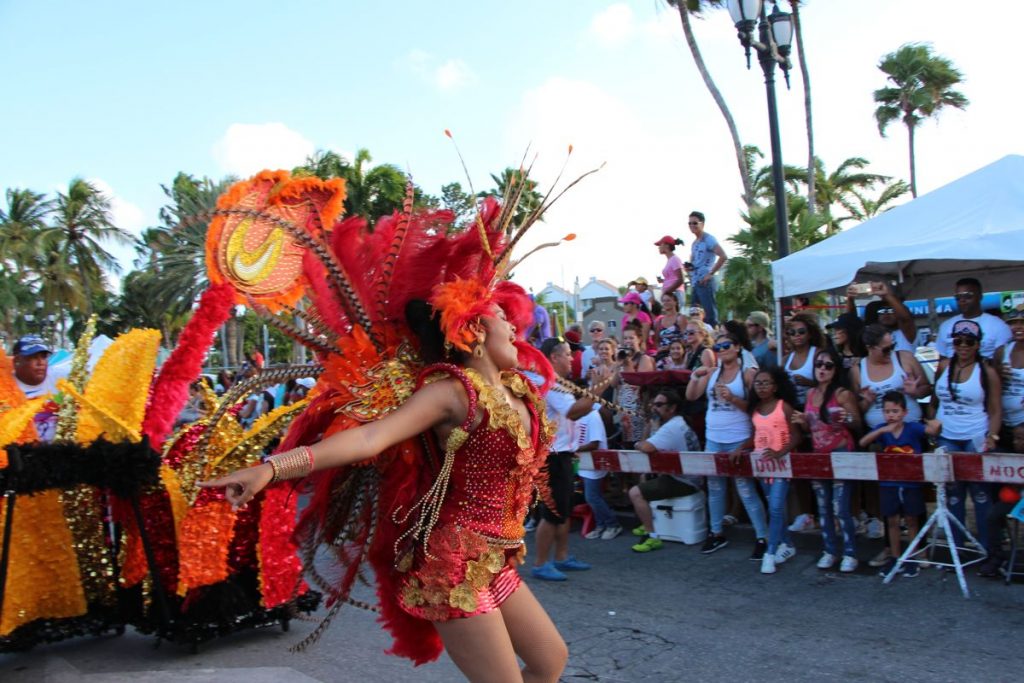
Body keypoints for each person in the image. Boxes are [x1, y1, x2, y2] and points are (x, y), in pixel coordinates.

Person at [686, 331, 767, 558]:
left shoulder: (748, 373)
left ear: (738, 347)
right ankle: (716, 533)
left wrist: (732, 398)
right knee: (715, 487)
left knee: (746, 490)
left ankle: (763, 536)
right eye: (718, 347)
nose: (722, 350)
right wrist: (694, 376)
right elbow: (691, 396)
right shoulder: (712, 373)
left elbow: (757, 408)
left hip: (738, 437)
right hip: (714, 437)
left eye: (726, 345)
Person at [532, 337, 606, 582]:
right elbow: (574, 412)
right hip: (552, 457)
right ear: (554, 358)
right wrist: (602, 386)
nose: (571, 359)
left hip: (561, 454)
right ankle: (541, 563)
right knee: (552, 512)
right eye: (566, 354)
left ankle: (562, 557)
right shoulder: (549, 383)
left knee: (563, 510)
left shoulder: (553, 382)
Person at [934, 319, 1002, 553]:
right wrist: (931, 422)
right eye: (958, 341)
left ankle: (986, 549)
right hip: (947, 435)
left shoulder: (987, 371)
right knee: (953, 494)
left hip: (975, 435)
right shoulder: (943, 367)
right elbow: (934, 400)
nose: (963, 346)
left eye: (969, 341)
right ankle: (957, 549)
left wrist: (992, 436)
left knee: (981, 495)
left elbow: (995, 408)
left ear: (977, 345)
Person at [792, 347, 862, 573]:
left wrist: (846, 417)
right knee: (823, 508)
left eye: (828, 365)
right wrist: (803, 420)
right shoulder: (812, 394)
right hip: (818, 454)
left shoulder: (842, 394)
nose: (822, 369)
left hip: (841, 452)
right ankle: (830, 550)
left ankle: (850, 552)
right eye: (819, 365)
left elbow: (857, 423)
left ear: (836, 369)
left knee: (840, 508)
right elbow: (810, 427)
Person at [860, 392, 942, 578]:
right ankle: (895, 558)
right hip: (889, 482)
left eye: (895, 411)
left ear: (904, 412)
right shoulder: (882, 429)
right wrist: (881, 431)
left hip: (911, 483)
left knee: (912, 519)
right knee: (892, 520)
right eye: (887, 411)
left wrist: (934, 424)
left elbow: (932, 431)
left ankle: (911, 556)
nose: (891, 415)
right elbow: (863, 441)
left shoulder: (912, 428)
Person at [629, 389, 703, 552]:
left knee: (635, 493)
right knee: (644, 478)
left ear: (672, 408)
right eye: (653, 404)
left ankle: (652, 536)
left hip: (684, 480)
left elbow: (646, 446)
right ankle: (648, 522)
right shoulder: (679, 422)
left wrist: (637, 443)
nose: (654, 408)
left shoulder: (671, 427)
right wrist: (652, 426)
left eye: (659, 405)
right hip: (688, 476)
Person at [744, 367, 802, 574]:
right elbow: (755, 436)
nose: (761, 386)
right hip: (762, 465)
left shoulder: (783, 407)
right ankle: (787, 544)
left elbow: (797, 435)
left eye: (766, 382)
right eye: (758, 383)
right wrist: (740, 448)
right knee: (773, 507)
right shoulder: (755, 410)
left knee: (776, 508)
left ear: (775, 387)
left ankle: (770, 552)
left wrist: (781, 452)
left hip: (781, 465)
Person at [850, 324, 930, 428]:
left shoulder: (905, 358)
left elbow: (927, 388)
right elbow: (855, 410)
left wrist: (916, 392)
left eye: (893, 346)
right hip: (879, 434)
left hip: (911, 427)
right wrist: (867, 402)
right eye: (886, 349)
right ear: (869, 348)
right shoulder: (857, 371)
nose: (890, 352)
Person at [935, 277, 1012, 360]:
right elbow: (942, 361)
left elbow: (1002, 362)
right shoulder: (946, 326)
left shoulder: (999, 325)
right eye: (958, 297)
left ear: (980, 297)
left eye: (967, 296)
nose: (962, 300)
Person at [575, 404, 620, 541]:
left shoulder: (593, 416)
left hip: (595, 463)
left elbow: (594, 444)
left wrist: (572, 448)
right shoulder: (578, 416)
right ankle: (601, 525)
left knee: (592, 497)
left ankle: (613, 524)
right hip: (583, 462)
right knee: (593, 497)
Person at [848, 281, 917, 353]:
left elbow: (905, 319)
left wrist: (887, 295)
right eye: (882, 311)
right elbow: (851, 322)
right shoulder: (870, 336)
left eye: (890, 310)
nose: (886, 314)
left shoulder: (904, 334)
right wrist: (850, 299)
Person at [615, 323, 655, 447]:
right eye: (625, 338)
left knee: (636, 443)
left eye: (631, 338)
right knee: (626, 443)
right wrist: (618, 365)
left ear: (639, 339)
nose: (628, 341)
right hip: (624, 410)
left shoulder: (644, 359)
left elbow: (638, 383)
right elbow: (614, 383)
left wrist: (628, 364)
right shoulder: (623, 358)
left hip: (638, 409)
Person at [686, 211, 726, 327]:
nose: (692, 226)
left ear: (702, 224)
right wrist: (689, 268)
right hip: (695, 281)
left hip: (705, 281)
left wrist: (710, 273)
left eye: (695, 223)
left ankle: (714, 336)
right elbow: (694, 263)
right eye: (689, 223)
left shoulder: (708, 239)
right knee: (695, 312)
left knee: (709, 314)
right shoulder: (694, 243)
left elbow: (723, 256)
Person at [994, 305, 1024, 451]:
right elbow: (989, 383)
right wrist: (998, 373)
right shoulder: (1002, 351)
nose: (1018, 327)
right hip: (1004, 422)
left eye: (1023, 322)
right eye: (1013, 323)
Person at [783, 313, 827, 409]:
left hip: (815, 407)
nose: (797, 335)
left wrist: (809, 383)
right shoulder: (786, 359)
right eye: (792, 332)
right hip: (792, 408)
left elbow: (830, 383)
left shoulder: (817, 354)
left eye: (801, 331)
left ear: (810, 334)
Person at [12, 335, 66, 399]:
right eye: (34, 357)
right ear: (17, 361)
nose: (41, 363)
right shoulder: (4, 386)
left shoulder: (61, 378)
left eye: (44, 357)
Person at [653, 292, 687, 357]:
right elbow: (656, 340)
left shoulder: (680, 318)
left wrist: (670, 347)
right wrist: (659, 348)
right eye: (663, 301)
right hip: (662, 353)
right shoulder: (659, 321)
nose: (665, 303)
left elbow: (685, 338)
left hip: (677, 352)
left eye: (668, 300)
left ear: (675, 302)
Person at [653, 235, 686, 302]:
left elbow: (681, 279)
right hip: (671, 293)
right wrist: (663, 281)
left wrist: (667, 292)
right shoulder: (671, 260)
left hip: (675, 294)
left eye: (660, 245)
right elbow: (673, 278)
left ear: (667, 245)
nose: (658, 247)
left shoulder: (674, 259)